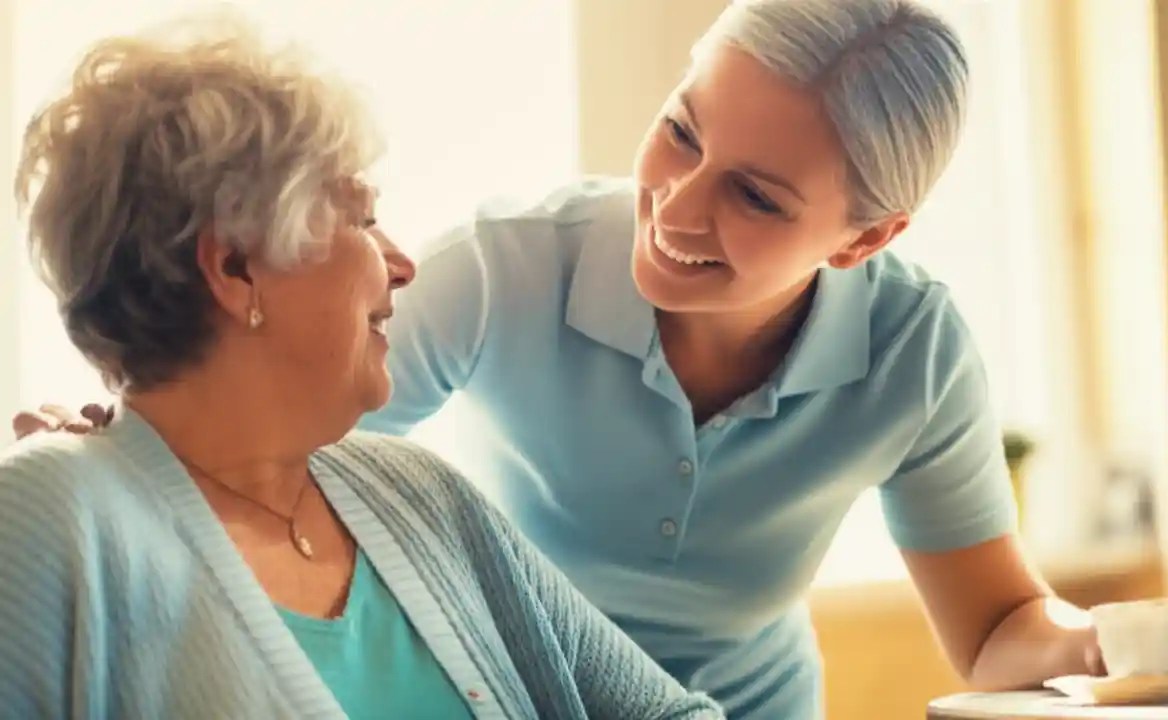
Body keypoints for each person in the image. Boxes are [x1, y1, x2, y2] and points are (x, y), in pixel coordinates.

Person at [0, 16, 724, 720]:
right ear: (234, 265)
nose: (403, 265)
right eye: (362, 219)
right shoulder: (48, 518)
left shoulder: (419, 493)